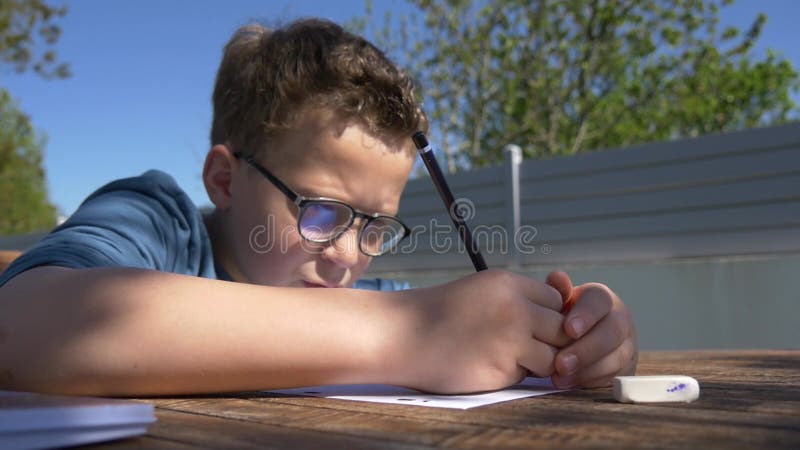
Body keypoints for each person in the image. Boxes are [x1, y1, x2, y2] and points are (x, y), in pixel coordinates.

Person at [0, 18, 637, 396]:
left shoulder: (357, 287)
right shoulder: (158, 219)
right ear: (224, 180)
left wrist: (573, 339)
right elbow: (21, 320)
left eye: (375, 227)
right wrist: (407, 331)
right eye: (322, 210)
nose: (344, 258)